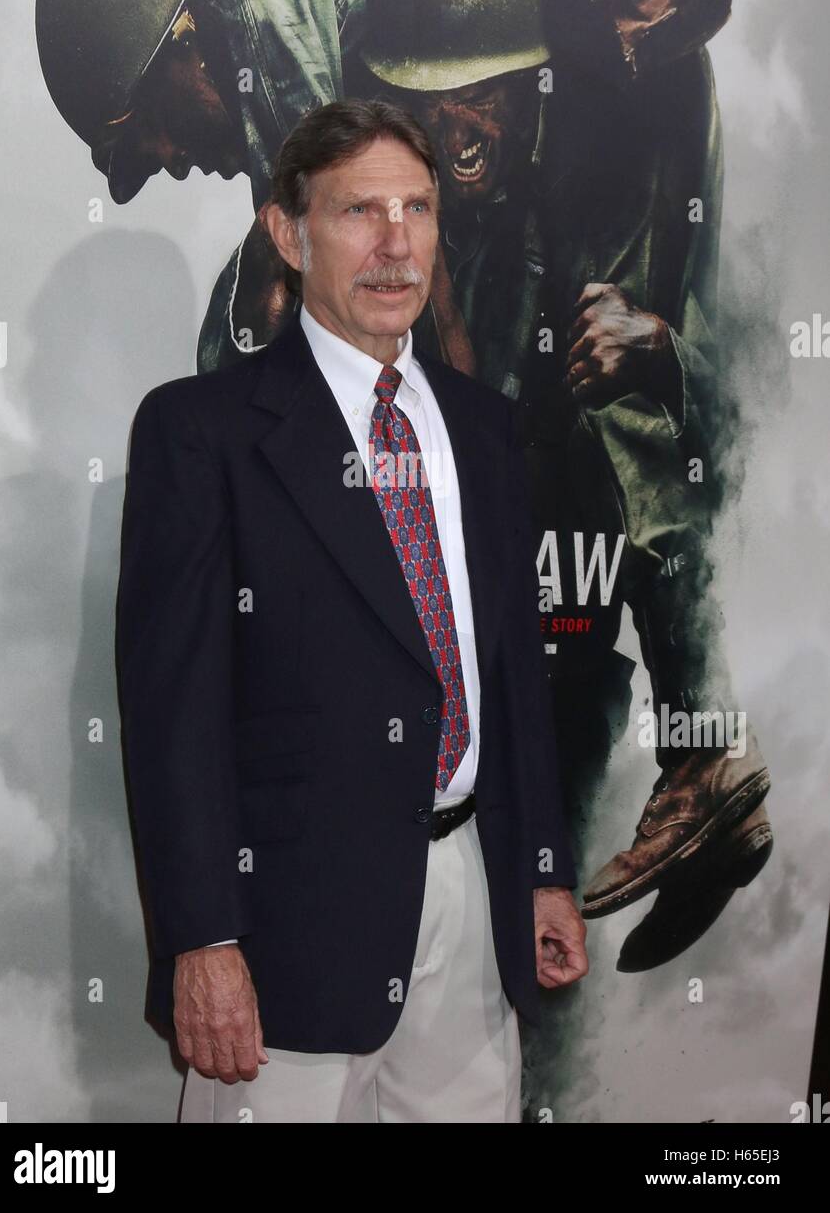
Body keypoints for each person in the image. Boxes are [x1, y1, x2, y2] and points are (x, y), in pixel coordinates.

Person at [115, 97, 587, 1123]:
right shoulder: (202, 433)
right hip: (283, 931)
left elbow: (509, 676)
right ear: (288, 232)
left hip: (470, 906)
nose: (394, 244)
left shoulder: (483, 427)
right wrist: (201, 939)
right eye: (358, 212)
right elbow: (171, 719)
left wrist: (542, 866)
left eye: (415, 210)